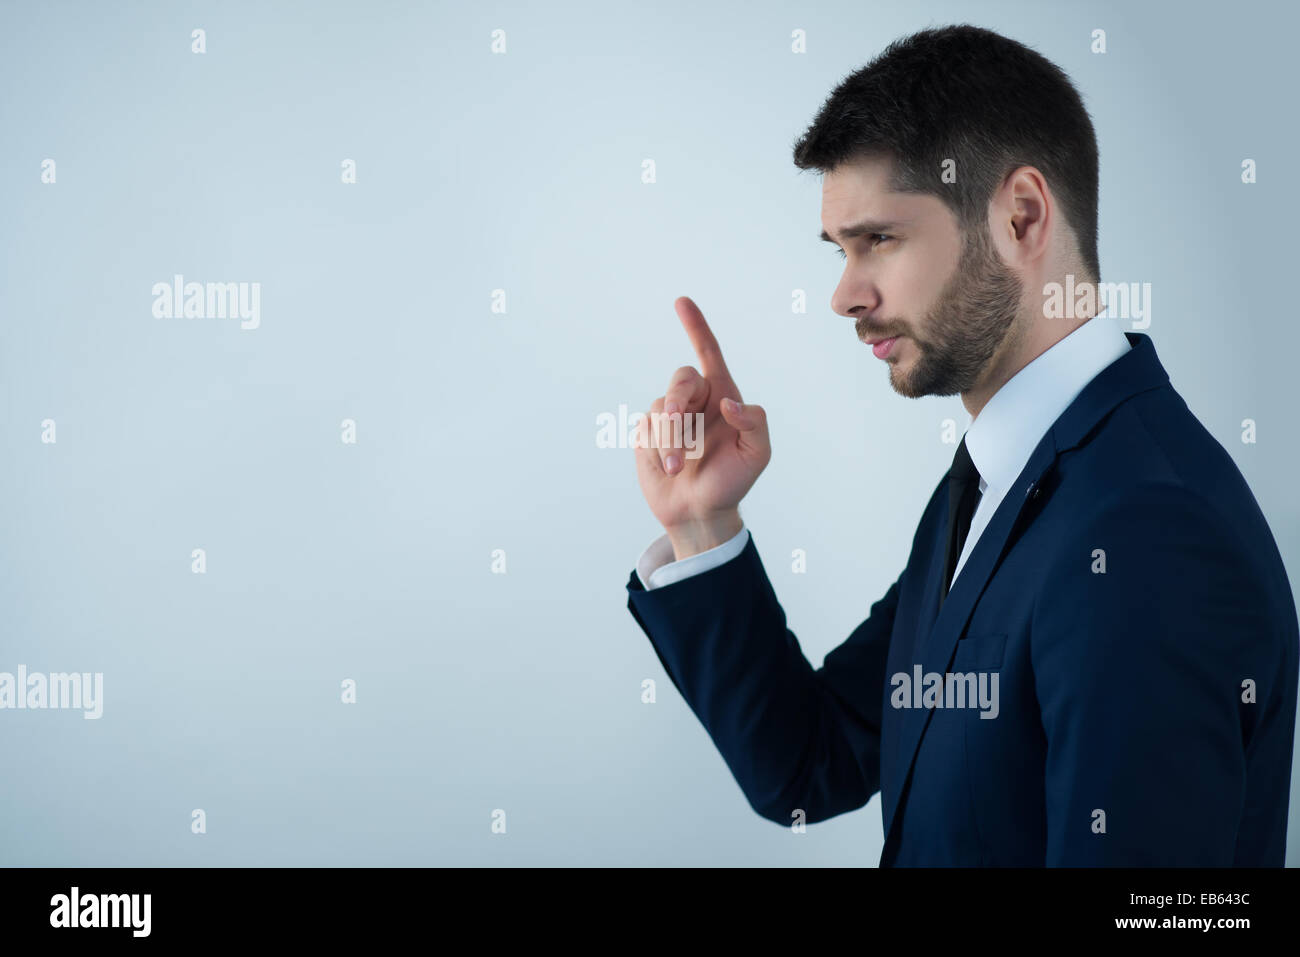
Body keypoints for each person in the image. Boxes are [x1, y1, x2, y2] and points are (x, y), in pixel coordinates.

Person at [624, 24, 1298, 866]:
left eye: (879, 239)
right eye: (839, 249)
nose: (843, 293)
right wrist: (702, 524)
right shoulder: (990, 483)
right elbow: (812, 763)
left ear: (1020, 218)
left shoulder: (1149, 531)